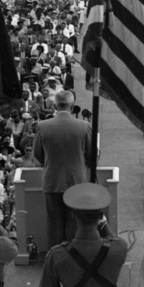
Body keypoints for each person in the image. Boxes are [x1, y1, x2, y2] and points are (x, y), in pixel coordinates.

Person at [33, 89, 92, 248]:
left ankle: (55, 259)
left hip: (52, 180)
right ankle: (73, 258)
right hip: (76, 181)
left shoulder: (42, 126)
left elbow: (38, 155)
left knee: (54, 225)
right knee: (74, 224)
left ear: (54, 105)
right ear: (72, 106)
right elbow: (92, 157)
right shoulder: (84, 126)